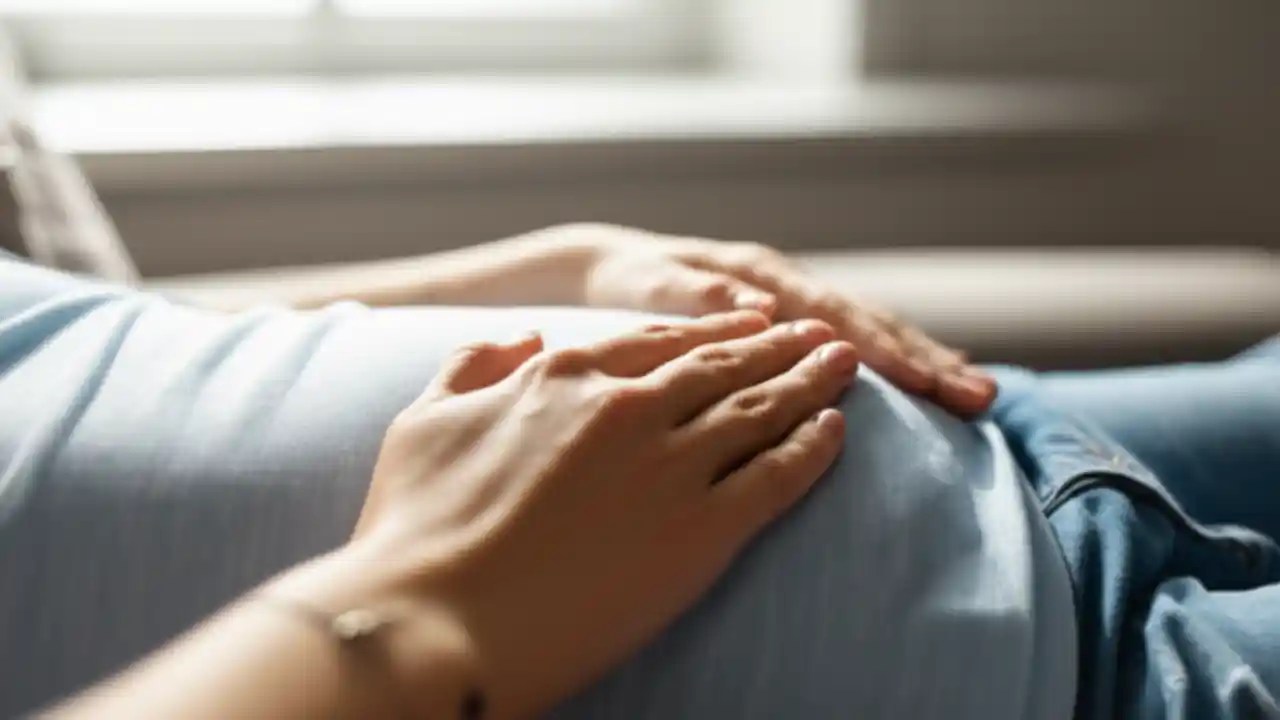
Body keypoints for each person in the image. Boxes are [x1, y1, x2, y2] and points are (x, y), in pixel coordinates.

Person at [0, 223, 1276, 720]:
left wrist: (543, 271)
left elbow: (91, 373)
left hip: (998, 441)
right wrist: (431, 595)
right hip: (1049, 687)